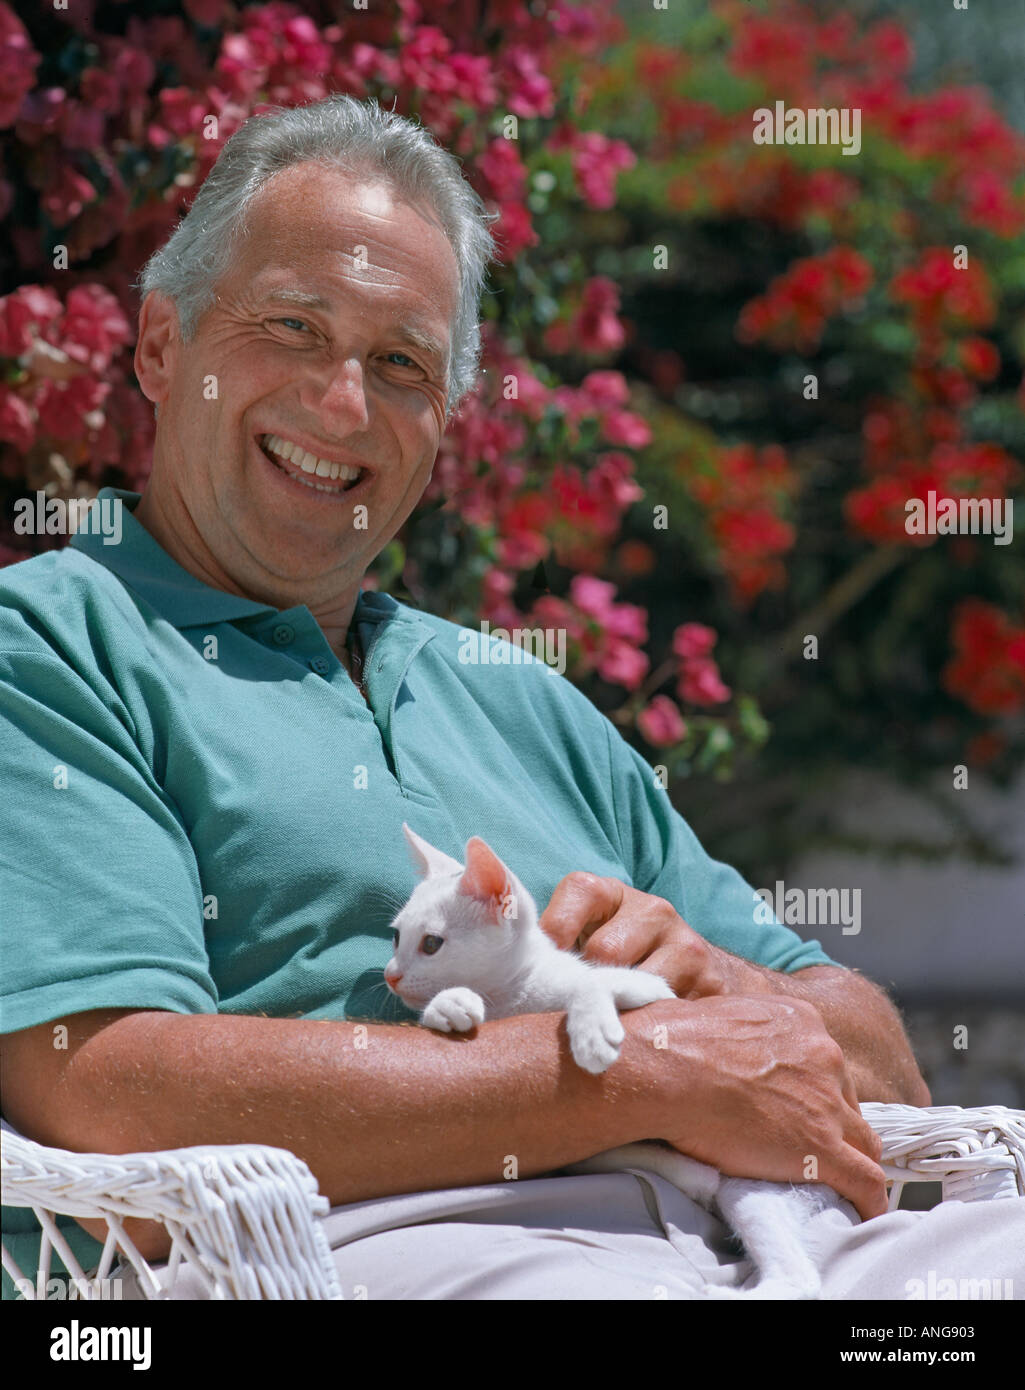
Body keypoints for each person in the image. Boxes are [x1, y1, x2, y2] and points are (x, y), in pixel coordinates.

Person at [1, 96, 1015, 1301]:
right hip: (414, 1251)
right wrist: (633, 1071)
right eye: (291, 326)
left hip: (778, 1247)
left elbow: (883, 1078)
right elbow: (105, 1092)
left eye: (400, 364)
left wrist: (723, 990)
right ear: (161, 346)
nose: (342, 406)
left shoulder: (517, 700)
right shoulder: (53, 648)